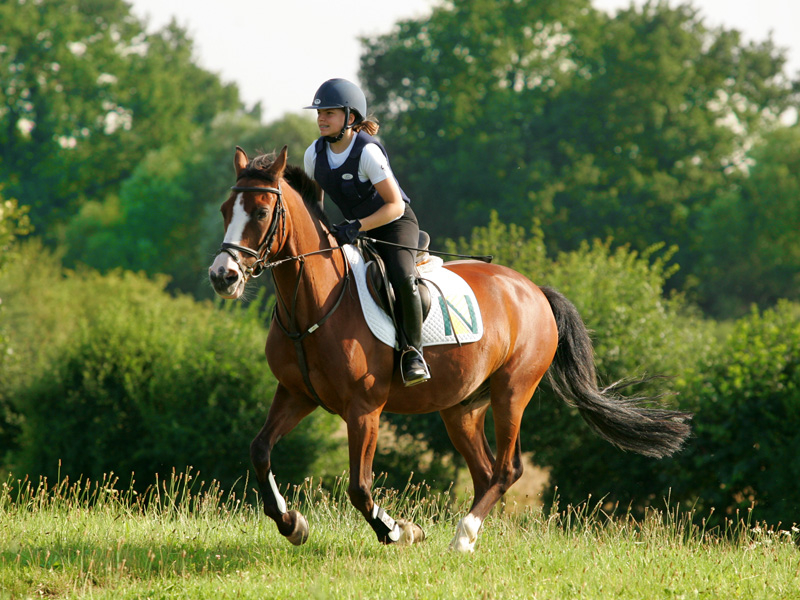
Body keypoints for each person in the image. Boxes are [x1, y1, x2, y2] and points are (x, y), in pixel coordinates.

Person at [303, 78, 430, 386]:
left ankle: (413, 352)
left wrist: (356, 227)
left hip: (394, 224)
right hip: (355, 231)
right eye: (319, 113)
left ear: (351, 117)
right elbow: (313, 207)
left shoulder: (368, 152)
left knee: (401, 274)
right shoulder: (313, 155)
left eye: (329, 113)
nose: (321, 118)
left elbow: (395, 205)